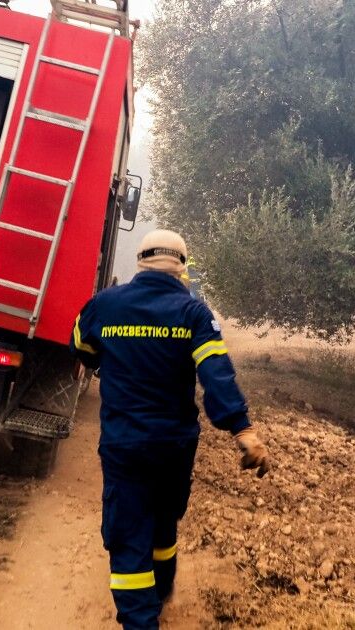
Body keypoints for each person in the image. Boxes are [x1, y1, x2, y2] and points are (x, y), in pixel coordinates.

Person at [70, 229, 271, 629]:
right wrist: (243, 431)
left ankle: (140, 620)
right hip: (174, 447)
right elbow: (217, 375)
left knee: (129, 535)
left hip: (125, 444)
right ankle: (160, 594)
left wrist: (112, 357)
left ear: (140, 261)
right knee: (163, 521)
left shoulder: (105, 304)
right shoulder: (194, 313)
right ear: (181, 267)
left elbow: (80, 346)